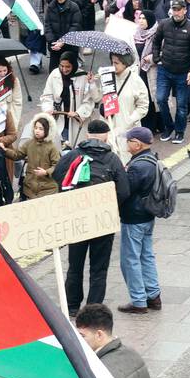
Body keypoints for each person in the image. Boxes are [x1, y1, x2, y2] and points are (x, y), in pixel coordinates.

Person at [53, 120, 129, 313]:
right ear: (105, 136)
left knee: (75, 266)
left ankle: (71, 306)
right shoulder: (112, 159)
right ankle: (93, 309)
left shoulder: (72, 156)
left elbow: (58, 176)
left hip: (78, 220)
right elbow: (124, 191)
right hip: (103, 221)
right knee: (99, 268)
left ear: (88, 135)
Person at [118, 127, 163, 316]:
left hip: (133, 217)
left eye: (128, 141)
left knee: (130, 259)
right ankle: (154, 296)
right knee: (146, 256)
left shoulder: (137, 166)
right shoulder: (152, 160)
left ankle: (138, 301)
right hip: (147, 216)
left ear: (137, 144)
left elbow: (125, 191)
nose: (126, 143)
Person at [148, 0, 190, 145]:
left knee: (182, 105)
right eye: (174, 9)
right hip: (164, 70)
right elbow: (156, 41)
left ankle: (179, 131)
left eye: (179, 9)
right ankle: (169, 126)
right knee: (160, 99)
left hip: (183, 73)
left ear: (185, 10)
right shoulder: (164, 24)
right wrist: (157, 57)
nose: (176, 12)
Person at [102, 52, 151, 159]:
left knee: (127, 160)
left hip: (129, 130)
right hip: (109, 127)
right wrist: (91, 84)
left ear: (125, 63)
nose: (113, 65)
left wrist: (129, 120)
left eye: (116, 63)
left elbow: (143, 106)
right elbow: (98, 99)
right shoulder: (107, 78)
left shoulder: (136, 81)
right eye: (112, 62)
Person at [40, 52, 94, 145]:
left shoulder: (83, 77)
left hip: (75, 121)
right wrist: (48, 108)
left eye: (68, 67)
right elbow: (47, 96)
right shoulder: (54, 74)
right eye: (62, 66)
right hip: (58, 118)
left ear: (74, 65)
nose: (64, 69)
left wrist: (78, 113)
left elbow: (89, 101)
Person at [5, 114, 61, 201]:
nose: (37, 131)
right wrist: (4, 150)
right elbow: (17, 155)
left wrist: (46, 172)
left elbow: (57, 165)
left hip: (47, 189)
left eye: (41, 129)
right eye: (36, 128)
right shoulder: (29, 143)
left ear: (47, 131)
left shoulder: (52, 147)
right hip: (30, 187)